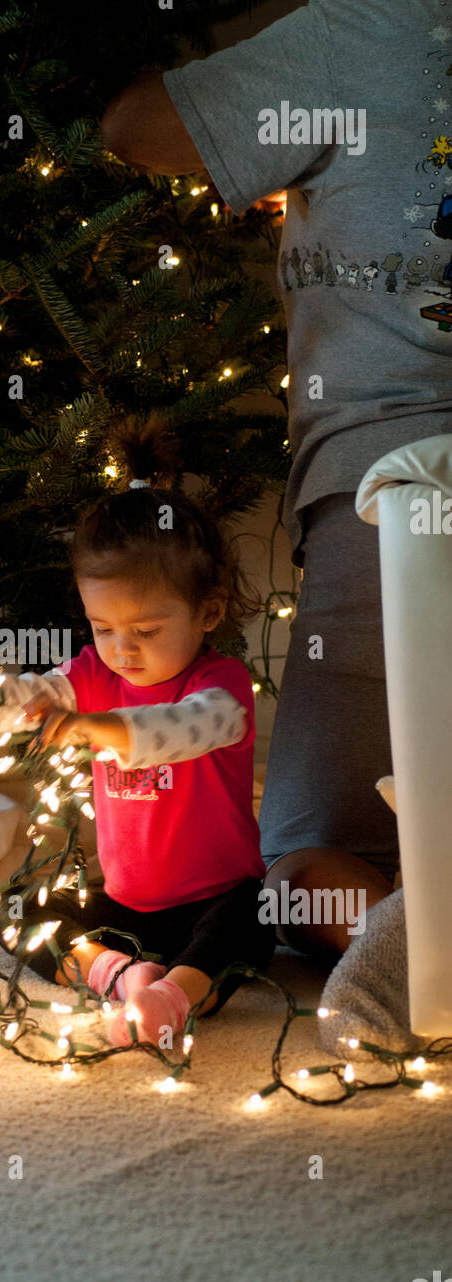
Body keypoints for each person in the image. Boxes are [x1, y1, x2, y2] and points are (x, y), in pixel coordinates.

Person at [99, 0, 452, 961]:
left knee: (300, 867)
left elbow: (134, 129)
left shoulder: (360, 29)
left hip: (391, 484)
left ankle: (418, 960)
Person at [0, 416, 277, 1050]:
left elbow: (179, 730)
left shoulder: (221, 687)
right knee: (17, 912)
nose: (122, 649)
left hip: (212, 903)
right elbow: (23, 699)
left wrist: (96, 726)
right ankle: (123, 977)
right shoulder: (92, 674)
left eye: (146, 631)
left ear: (208, 611)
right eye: (103, 627)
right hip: (125, 910)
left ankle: (174, 995)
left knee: (258, 916)